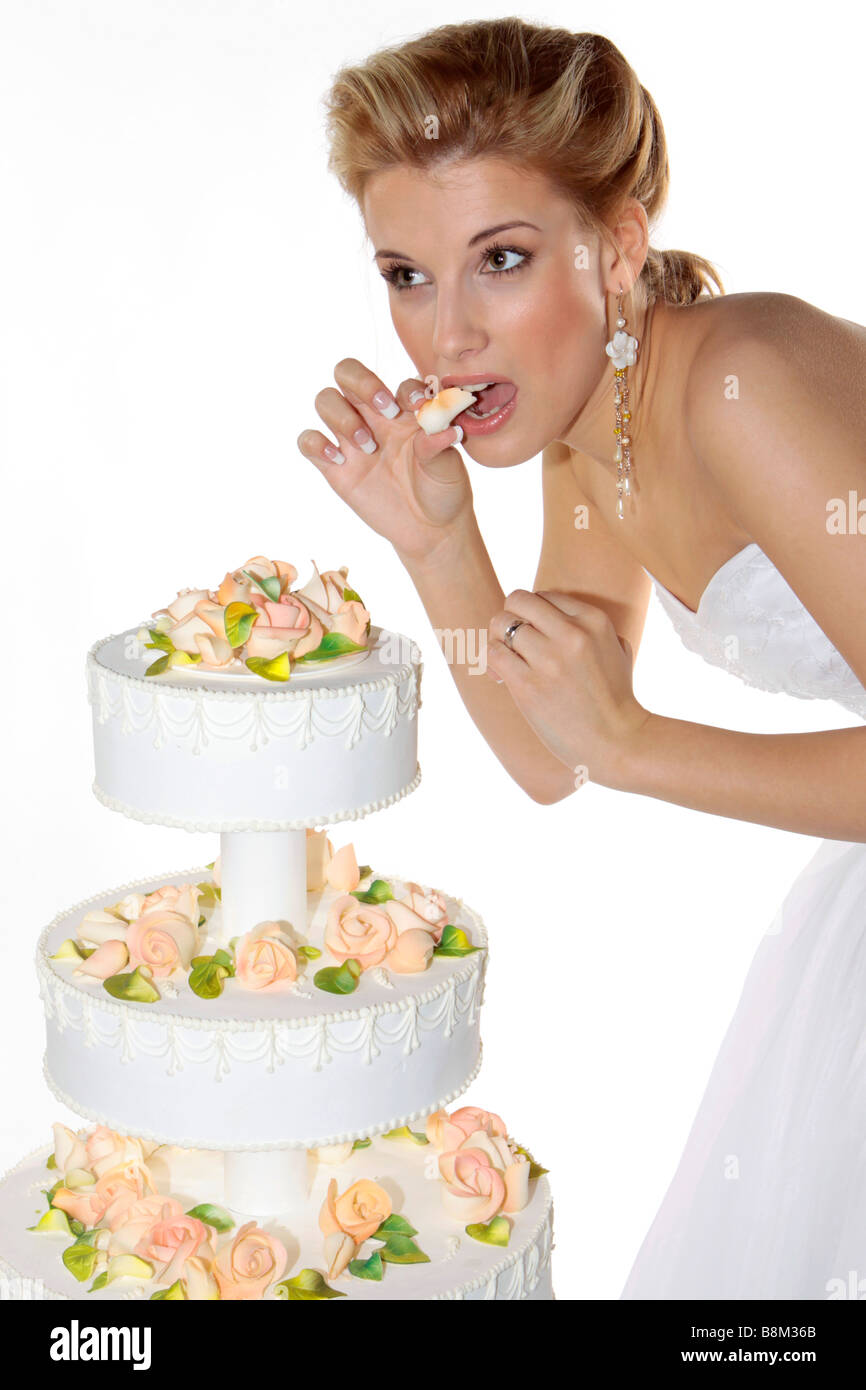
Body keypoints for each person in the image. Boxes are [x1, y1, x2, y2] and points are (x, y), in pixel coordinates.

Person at [297, 19, 866, 1299]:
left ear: (616, 247)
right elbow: (550, 758)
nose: (443, 338)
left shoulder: (742, 381)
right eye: (405, 273)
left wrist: (639, 745)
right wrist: (439, 546)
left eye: (498, 260)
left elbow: (602, 743)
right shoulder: (586, 431)